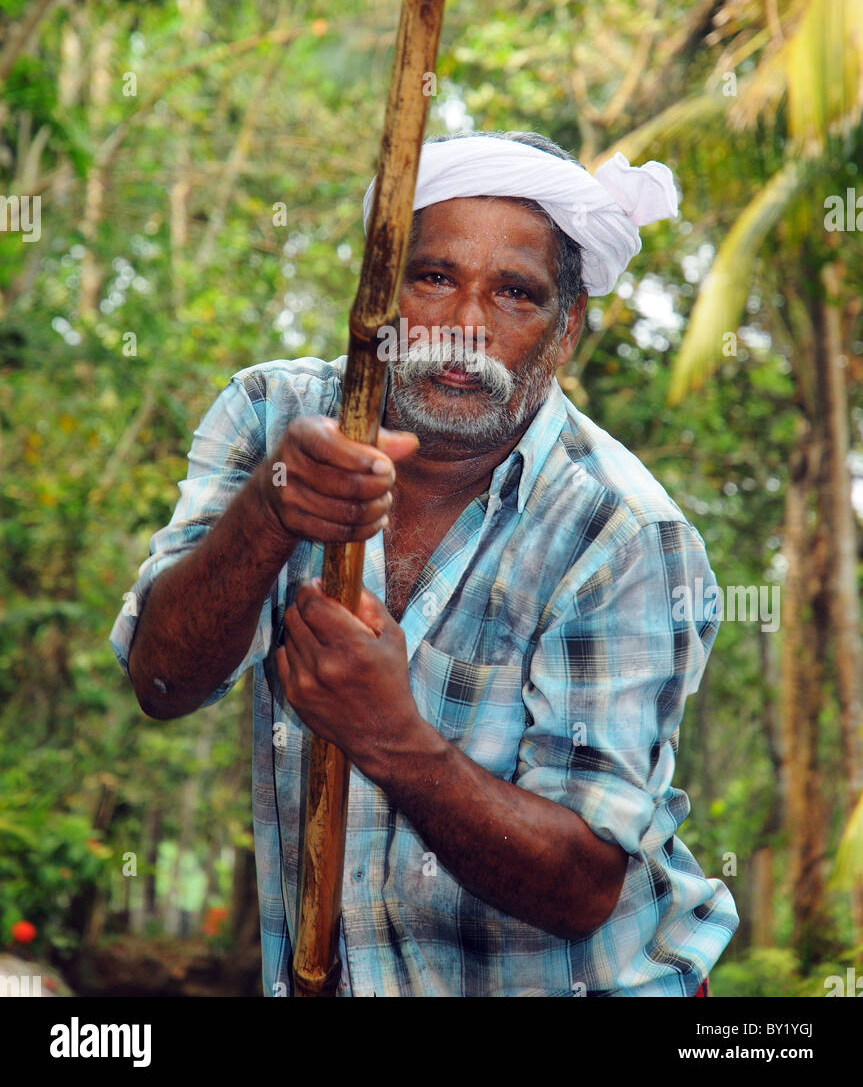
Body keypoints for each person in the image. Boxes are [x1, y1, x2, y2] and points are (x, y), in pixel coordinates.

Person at [110, 130, 739, 997]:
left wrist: (390, 736)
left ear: (565, 332)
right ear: (379, 293)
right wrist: (266, 510)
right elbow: (160, 682)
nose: (464, 330)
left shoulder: (622, 532)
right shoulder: (269, 415)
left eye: (514, 294)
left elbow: (584, 886)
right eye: (433, 277)